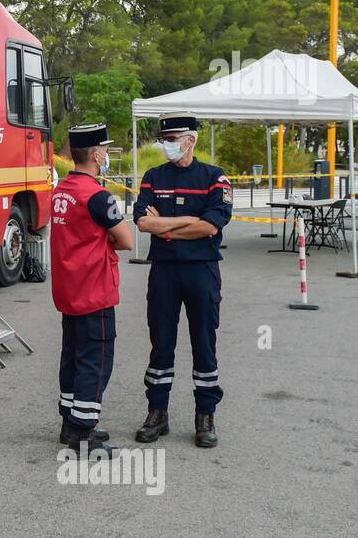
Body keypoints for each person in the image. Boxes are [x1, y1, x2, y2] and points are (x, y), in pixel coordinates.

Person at [132, 116, 233, 448]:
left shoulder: (214, 177)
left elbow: (210, 227)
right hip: (163, 270)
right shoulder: (153, 177)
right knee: (161, 341)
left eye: (173, 138)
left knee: (204, 342)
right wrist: (189, 221)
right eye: (164, 138)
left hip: (201, 270)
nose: (167, 144)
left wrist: (168, 226)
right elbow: (144, 224)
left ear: (191, 140)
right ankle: (157, 412)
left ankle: (205, 415)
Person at [50, 123, 134, 458]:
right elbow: (127, 240)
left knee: (72, 357)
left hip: (70, 292)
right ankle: (84, 435)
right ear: (96, 154)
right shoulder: (97, 196)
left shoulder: (63, 190)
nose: (106, 154)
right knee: (95, 362)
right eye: (105, 149)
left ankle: (70, 423)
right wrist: (108, 238)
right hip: (94, 292)